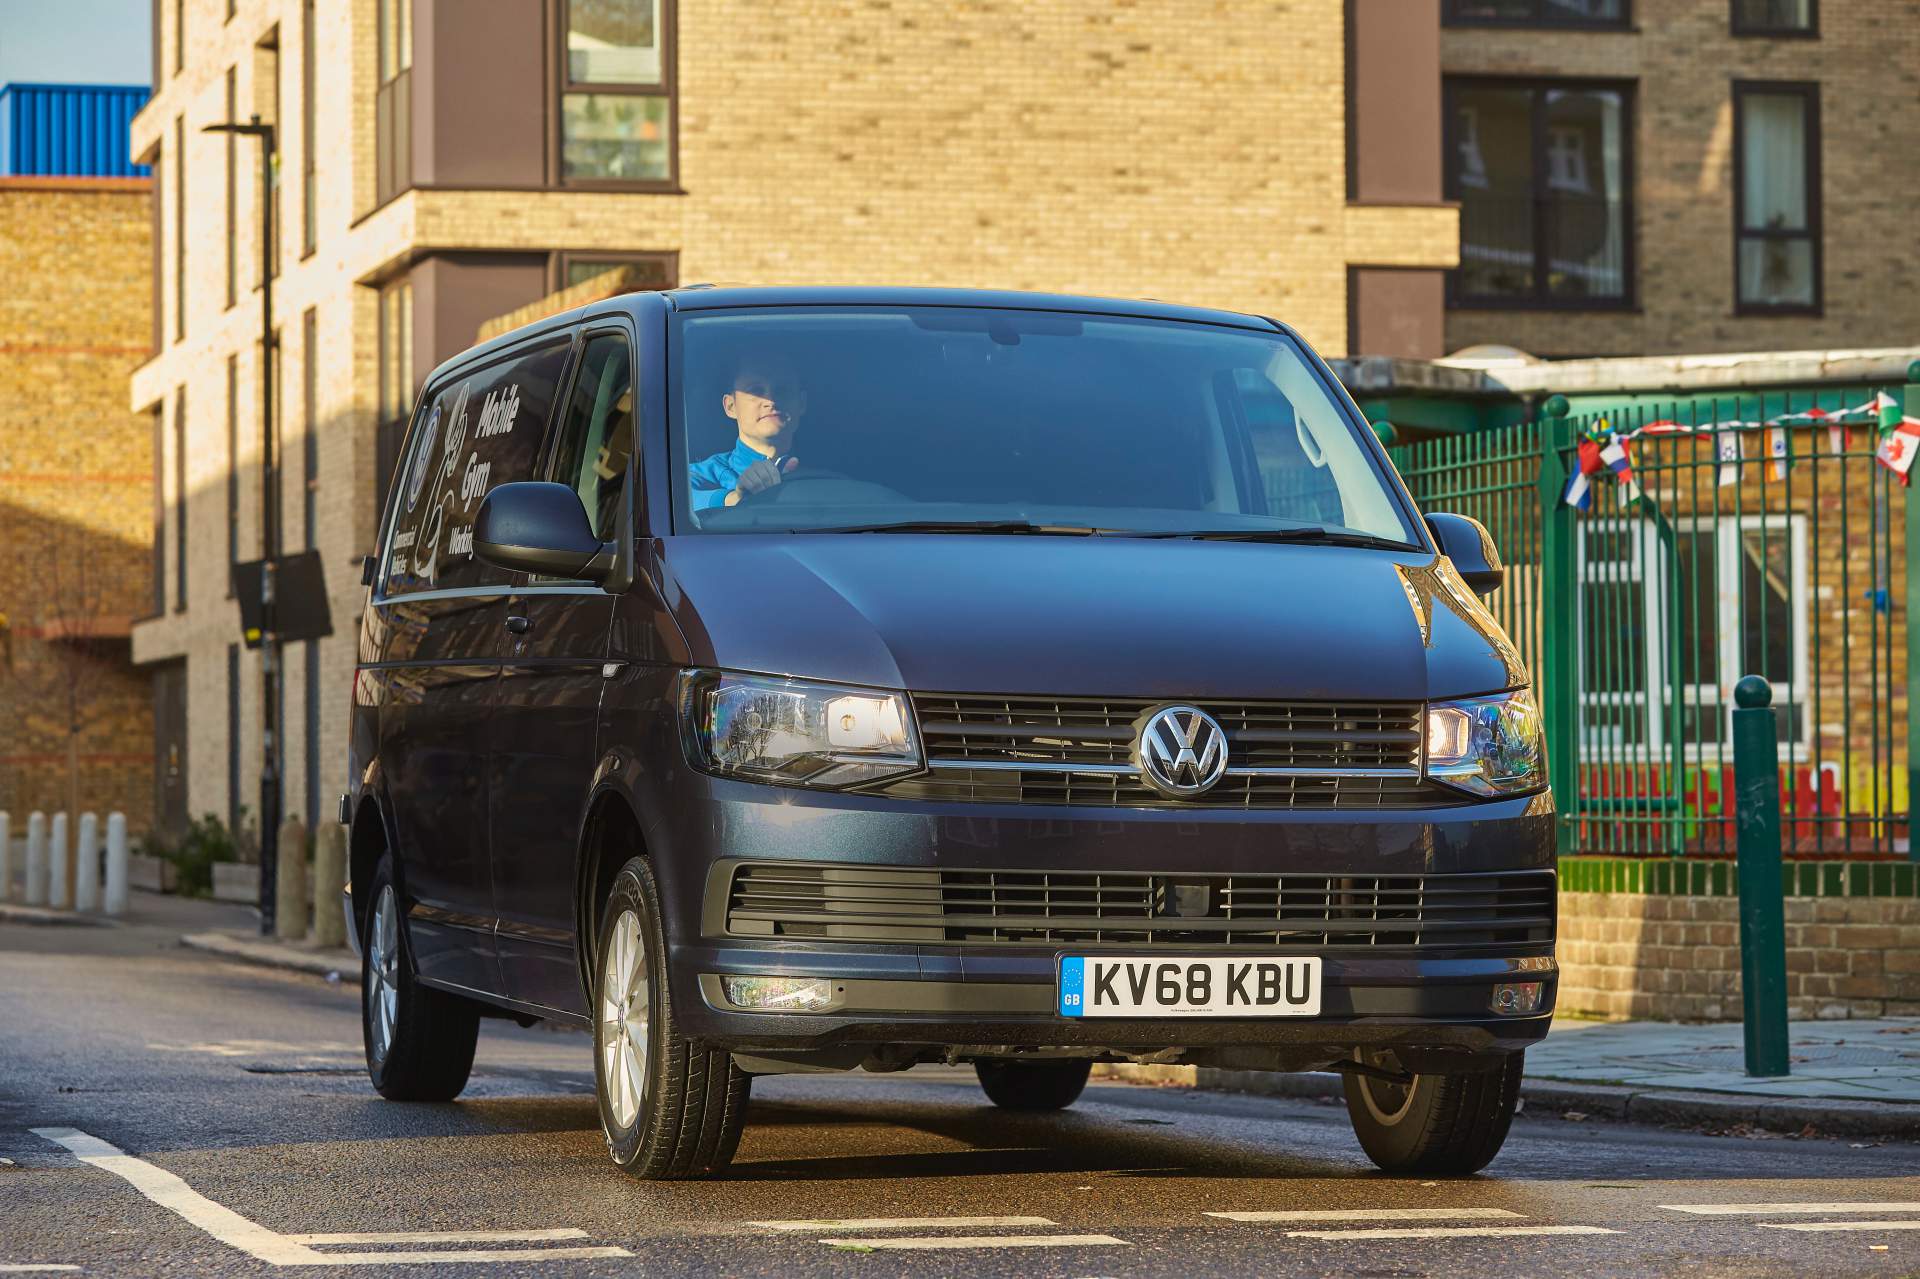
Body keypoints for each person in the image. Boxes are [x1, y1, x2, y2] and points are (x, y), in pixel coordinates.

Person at [689, 358, 806, 510]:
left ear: (802, 403)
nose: (770, 400)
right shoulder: (701, 474)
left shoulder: (832, 473)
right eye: (755, 390)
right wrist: (735, 499)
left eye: (782, 389)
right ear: (731, 406)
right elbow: (677, 502)